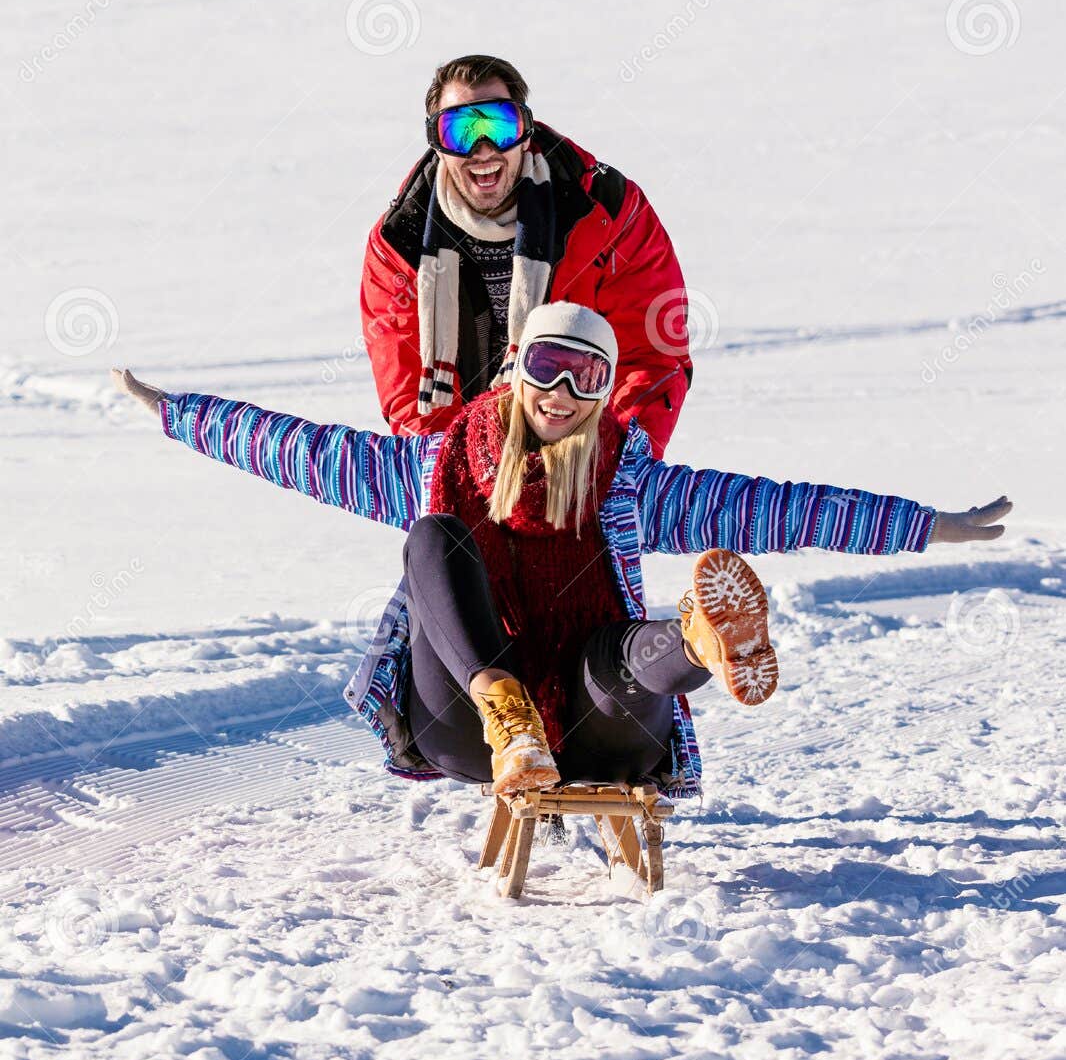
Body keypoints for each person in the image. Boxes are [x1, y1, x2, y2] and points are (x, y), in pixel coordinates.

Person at [111, 302, 1010, 799]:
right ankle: (509, 712)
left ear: (605, 392)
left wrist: (932, 525)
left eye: (589, 377)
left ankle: (701, 644)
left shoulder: (628, 480)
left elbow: (782, 509)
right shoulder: (433, 466)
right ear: (514, 368)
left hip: (601, 726)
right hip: (467, 725)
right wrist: (172, 411)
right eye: (548, 367)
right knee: (433, 541)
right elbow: (298, 448)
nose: (564, 392)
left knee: (622, 650)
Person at [360, 53, 691, 457]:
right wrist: (455, 477)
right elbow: (410, 397)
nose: (482, 150)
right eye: (459, 130)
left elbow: (652, 355)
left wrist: (610, 463)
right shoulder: (399, 245)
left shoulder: (608, 211)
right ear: (436, 143)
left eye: (499, 126)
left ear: (526, 131)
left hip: (584, 458)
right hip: (463, 460)